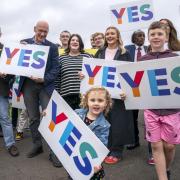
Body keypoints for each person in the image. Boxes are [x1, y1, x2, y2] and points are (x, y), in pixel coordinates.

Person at [139, 21, 180, 180]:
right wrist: (127, 93)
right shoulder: (142, 60)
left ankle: (167, 168)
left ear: (166, 36)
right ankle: (162, 177)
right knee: (156, 145)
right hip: (151, 110)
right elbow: (137, 84)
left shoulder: (175, 58)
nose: (156, 37)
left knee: (169, 146)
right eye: (153, 34)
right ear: (148, 37)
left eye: (159, 34)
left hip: (173, 110)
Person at [17, 21, 60, 161]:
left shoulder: (52, 47)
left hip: (45, 86)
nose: (42, 33)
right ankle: (37, 145)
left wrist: (44, 79)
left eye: (45, 31)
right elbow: (15, 64)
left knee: (50, 117)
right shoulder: (24, 43)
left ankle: (54, 152)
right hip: (28, 86)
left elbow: (56, 68)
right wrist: (19, 50)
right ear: (34, 29)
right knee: (34, 117)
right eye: (40, 30)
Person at [95, 26, 135, 164]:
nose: (109, 36)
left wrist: (127, 92)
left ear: (118, 36)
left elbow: (131, 74)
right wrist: (84, 76)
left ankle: (116, 151)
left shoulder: (125, 53)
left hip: (119, 94)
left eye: (112, 33)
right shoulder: (99, 52)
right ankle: (106, 149)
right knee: (104, 122)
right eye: (107, 34)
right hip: (102, 94)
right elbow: (93, 71)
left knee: (118, 123)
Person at [69, 87, 112, 179]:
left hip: (90, 163)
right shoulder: (77, 114)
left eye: (100, 100)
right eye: (92, 100)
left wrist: (97, 162)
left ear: (106, 103)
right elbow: (62, 122)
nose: (96, 103)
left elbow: (101, 147)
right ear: (87, 102)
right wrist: (47, 114)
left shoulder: (104, 126)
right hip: (74, 158)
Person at [55, 34, 92, 110]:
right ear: (69, 43)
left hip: (84, 96)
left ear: (80, 44)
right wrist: (57, 96)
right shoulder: (61, 57)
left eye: (77, 40)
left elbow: (93, 75)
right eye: (73, 40)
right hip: (65, 97)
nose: (75, 42)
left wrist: (86, 75)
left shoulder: (87, 56)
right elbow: (57, 78)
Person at [125, 30, 147, 150]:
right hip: (132, 84)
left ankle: (152, 142)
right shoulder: (127, 48)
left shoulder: (149, 48)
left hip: (148, 84)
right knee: (132, 115)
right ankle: (134, 140)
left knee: (150, 114)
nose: (142, 37)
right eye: (139, 35)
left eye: (143, 35)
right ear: (133, 38)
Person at [0, 27, 19, 156]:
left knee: (5, 118)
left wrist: (5, 75)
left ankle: (10, 144)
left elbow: (12, 74)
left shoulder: (6, 51)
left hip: (1, 90)